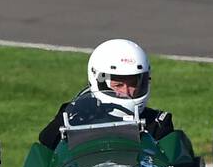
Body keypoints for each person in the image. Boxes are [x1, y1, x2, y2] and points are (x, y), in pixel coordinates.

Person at [37, 39, 175, 149]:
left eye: (133, 84)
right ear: (99, 80)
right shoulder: (75, 115)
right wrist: (77, 115)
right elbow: (46, 145)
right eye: (118, 85)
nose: (126, 92)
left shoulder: (157, 123)